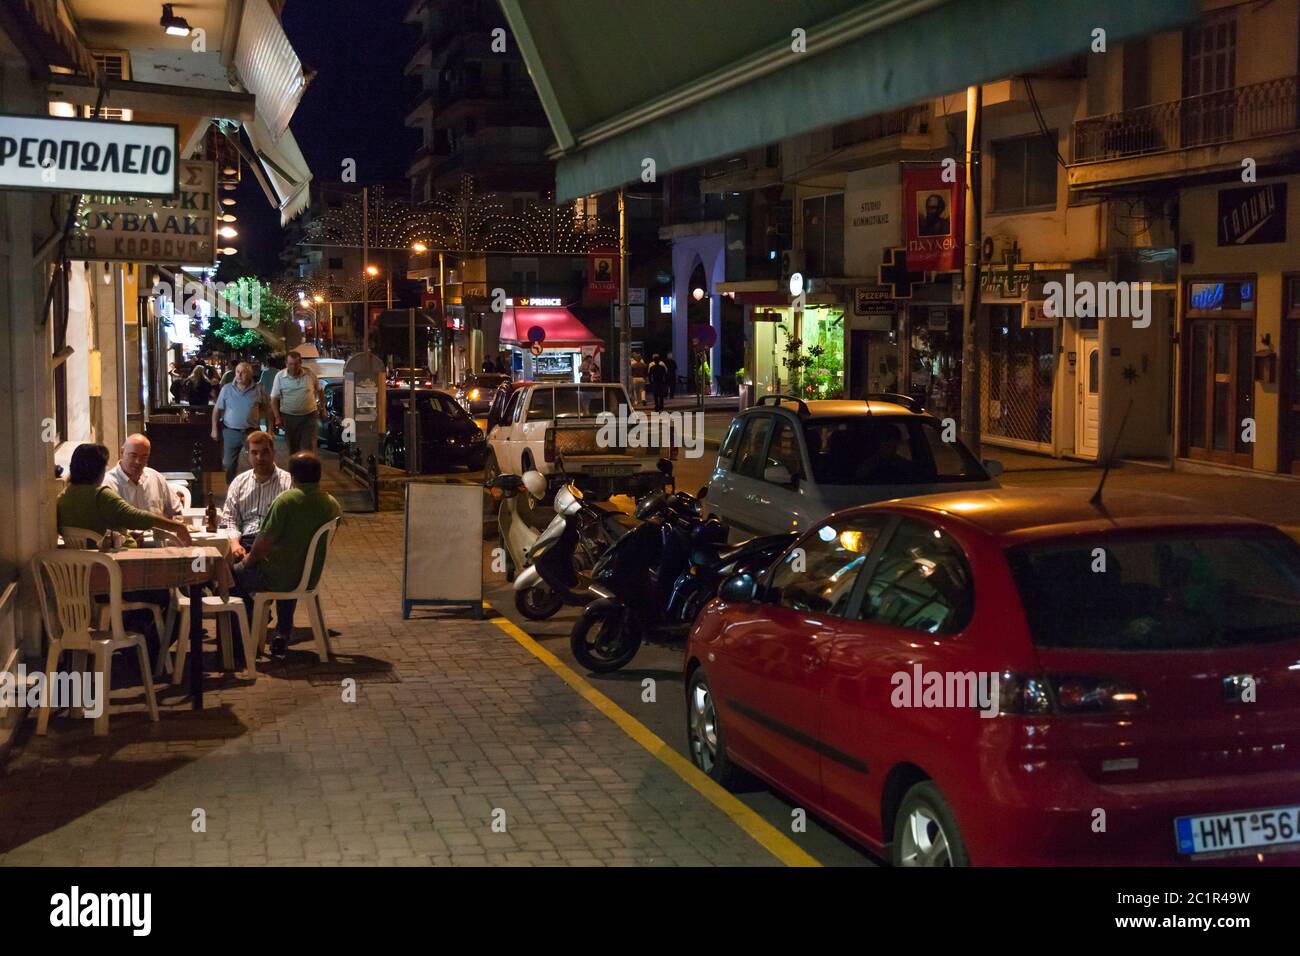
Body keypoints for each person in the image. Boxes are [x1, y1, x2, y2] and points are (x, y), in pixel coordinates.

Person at [233, 452, 341, 658]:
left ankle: (244, 642)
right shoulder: (331, 503)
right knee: (279, 567)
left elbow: (262, 545)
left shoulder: (285, 502)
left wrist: (246, 561)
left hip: (276, 577)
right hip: (309, 577)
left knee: (230, 575)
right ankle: (281, 631)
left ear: (293, 476)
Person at [61, 443, 192, 545]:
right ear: (97, 470)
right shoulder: (101, 495)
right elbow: (137, 517)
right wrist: (178, 527)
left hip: (84, 561)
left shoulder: (64, 496)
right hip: (117, 562)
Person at [221, 430, 293, 565]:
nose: (259, 457)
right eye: (254, 453)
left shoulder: (288, 483)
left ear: (273, 453)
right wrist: (235, 544)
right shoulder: (239, 482)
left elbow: (292, 524)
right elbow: (229, 519)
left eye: (265, 452)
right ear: (248, 455)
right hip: (244, 541)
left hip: (274, 546)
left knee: (232, 576)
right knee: (213, 568)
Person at [102, 434, 183, 521]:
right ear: (122, 452)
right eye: (133, 455)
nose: (138, 461)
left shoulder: (156, 477)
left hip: (157, 534)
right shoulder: (107, 483)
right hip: (123, 534)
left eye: (144, 457)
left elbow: (177, 512)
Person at [212, 362, 268, 485]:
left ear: (250, 374)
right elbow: (217, 409)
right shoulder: (226, 389)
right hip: (231, 431)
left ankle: (256, 485)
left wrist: (270, 430)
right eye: (237, 372)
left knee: (257, 460)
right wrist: (214, 429)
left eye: (243, 372)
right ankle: (231, 487)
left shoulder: (259, 388)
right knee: (228, 463)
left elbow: (267, 410)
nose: (239, 375)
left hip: (252, 431)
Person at [270, 349, 324, 454]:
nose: (293, 367)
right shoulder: (280, 377)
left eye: (296, 364)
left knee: (308, 447)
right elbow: (274, 399)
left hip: (309, 416)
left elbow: (320, 391)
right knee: (293, 447)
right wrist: (277, 418)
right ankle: (295, 468)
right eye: (290, 364)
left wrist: (323, 408)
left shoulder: (309, 374)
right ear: (286, 364)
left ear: (300, 363)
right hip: (289, 417)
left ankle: (308, 468)